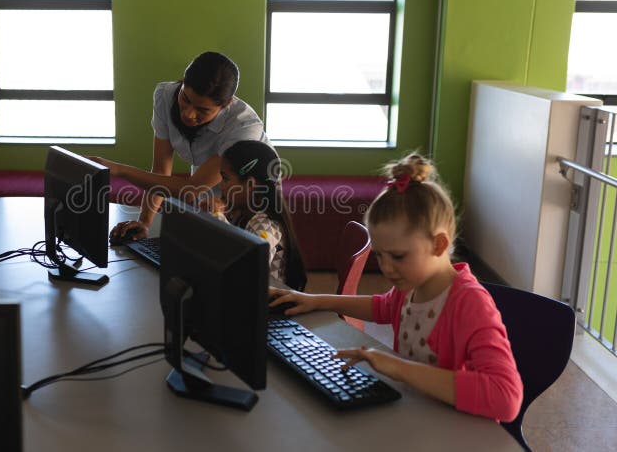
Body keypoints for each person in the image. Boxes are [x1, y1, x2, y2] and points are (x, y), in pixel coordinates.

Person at [268, 153, 523, 422]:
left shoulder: (469, 303)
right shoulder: (412, 285)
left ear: (439, 245)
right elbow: (383, 307)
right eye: (380, 255)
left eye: (398, 256)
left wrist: (399, 368)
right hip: (417, 417)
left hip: (457, 430)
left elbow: (506, 398)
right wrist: (315, 300)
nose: (387, 269)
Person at [89, 51, 269, 242]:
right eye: (186, 99)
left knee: (245, 260)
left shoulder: (244, 127)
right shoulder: (165, 97)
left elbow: (191, 189)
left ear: (226, 105)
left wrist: (119, 170)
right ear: (183, 82)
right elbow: (160, 171)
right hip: (207, 194)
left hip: (251, 201)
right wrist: (144, 223)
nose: (189, 114)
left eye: (203, 110)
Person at [201, 140, 306, 291]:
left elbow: (245, 271)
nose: (220, 186)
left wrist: (218, 217)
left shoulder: (265, 227)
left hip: (264, 305)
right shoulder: (242, 214)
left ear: (250, 184)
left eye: (225, 178)